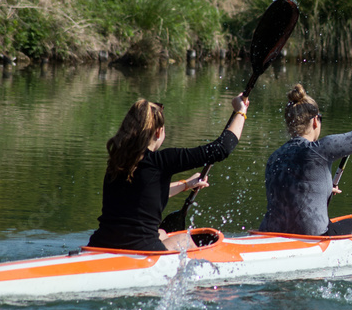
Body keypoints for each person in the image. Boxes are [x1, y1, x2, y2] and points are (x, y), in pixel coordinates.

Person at [88, 95, 248, 252]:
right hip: (141, 249)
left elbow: (144, 194)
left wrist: (186, 184)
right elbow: (221, 149)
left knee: (163, 233)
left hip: (99, 244)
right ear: (158, 132)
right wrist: (241, 111)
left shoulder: (117, 161)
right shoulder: (162, 161)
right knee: (186, 239)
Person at [259, 83, 352, 236]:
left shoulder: (275, 157)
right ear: (315, 121)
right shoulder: (319, 149)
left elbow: (291, 191)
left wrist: (324, 188)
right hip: (312, 235)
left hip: (269, 231)